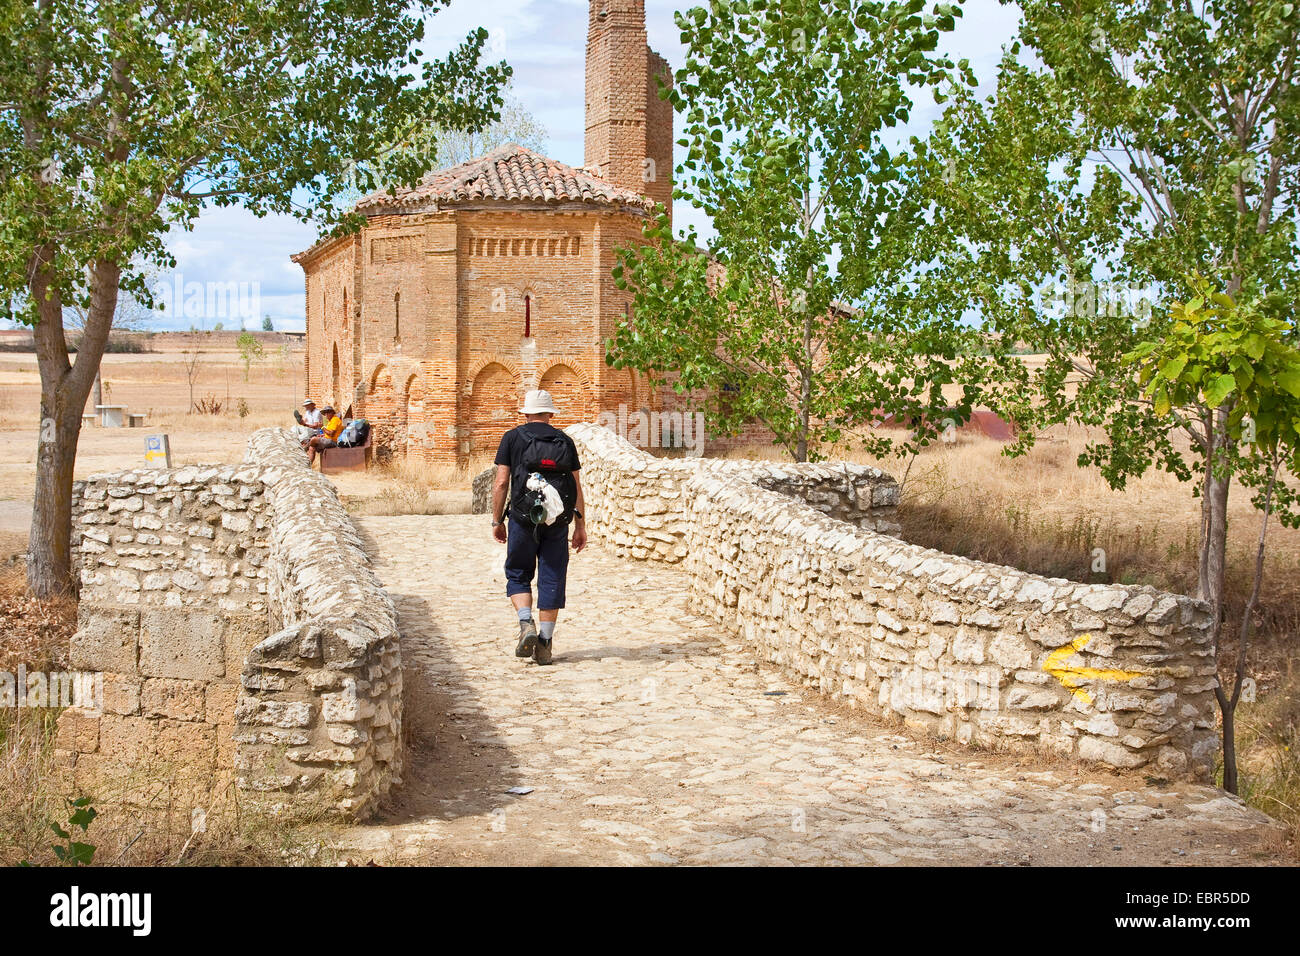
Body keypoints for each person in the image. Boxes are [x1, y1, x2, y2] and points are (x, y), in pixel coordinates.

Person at [491, 389, 586, 666]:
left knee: (519, 572)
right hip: (557, 521)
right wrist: (580, 525)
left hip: (523, 518)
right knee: (552, 575)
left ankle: (525, 624)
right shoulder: (565, 441)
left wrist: (497, 521)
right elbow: (576, 487)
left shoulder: (512, 438)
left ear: (525, 413)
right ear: (550, 414)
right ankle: (545, 643)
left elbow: (500, 483)